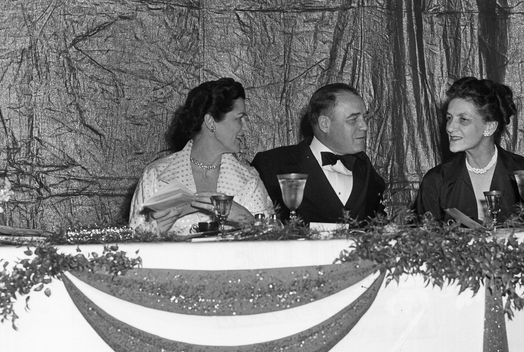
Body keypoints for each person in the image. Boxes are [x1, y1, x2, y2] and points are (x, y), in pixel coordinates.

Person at [130, 78, 273, 236]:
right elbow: (131, 248)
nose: (245, 128)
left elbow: (273, 245)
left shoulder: (249, 181)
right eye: (239, 118)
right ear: (211, 122)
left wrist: (244, 218)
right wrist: (152, 232)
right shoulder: (156, 176)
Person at [414, 77, 524, 224]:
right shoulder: (436, 180)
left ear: (489, 127)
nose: (449, 127)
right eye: (449, 118)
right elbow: (424, 242)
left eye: (463, 119)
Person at [251, 83, 386, 224]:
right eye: (353, 120)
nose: (364, 126)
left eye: (365, 118)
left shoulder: (366, 169)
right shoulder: (273, 164)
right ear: (324, 124)